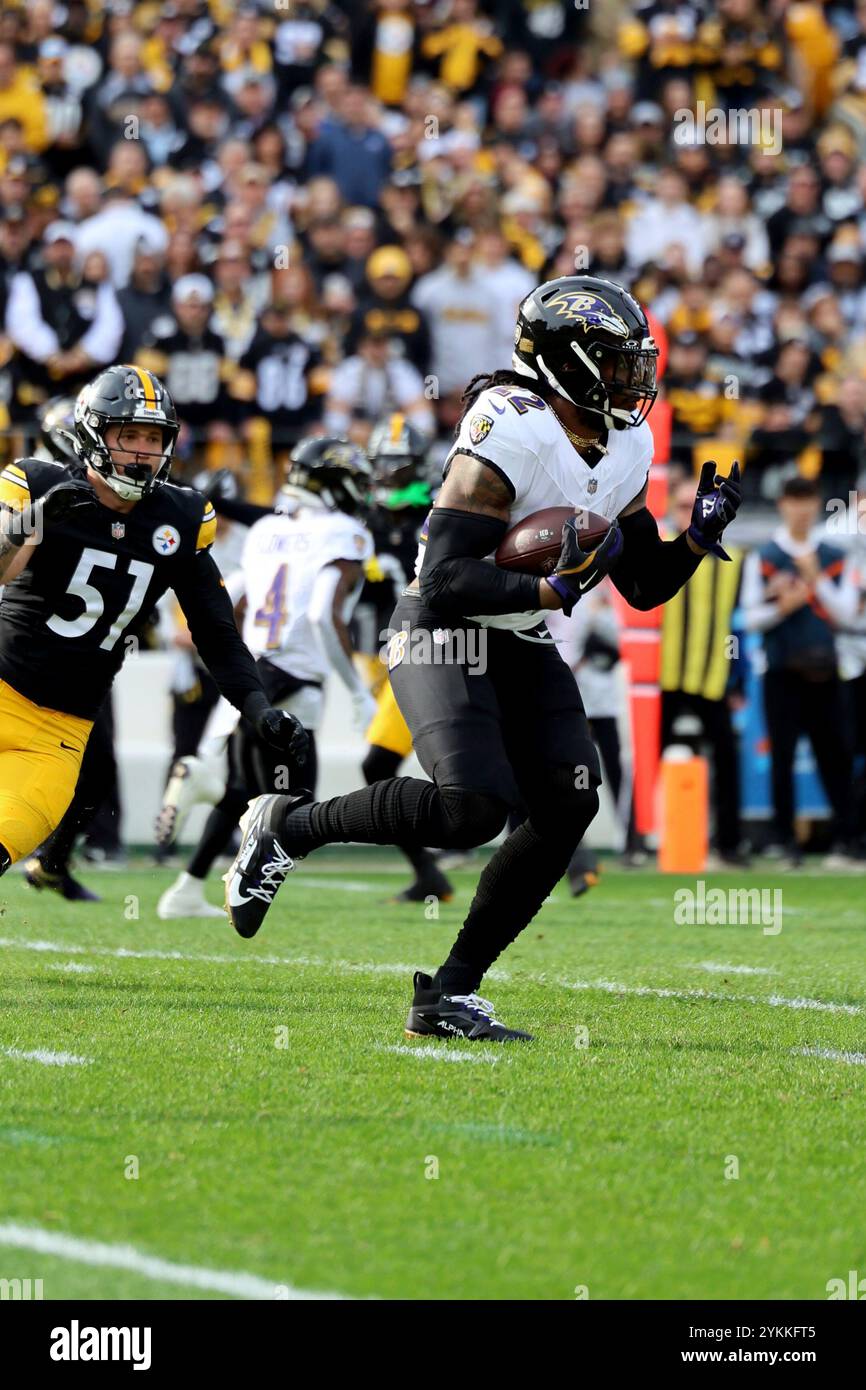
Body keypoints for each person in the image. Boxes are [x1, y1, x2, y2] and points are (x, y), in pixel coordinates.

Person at [222, 274, 742, 1042]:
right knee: (473, 809)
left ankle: (450, 993)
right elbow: (444, 576)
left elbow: (640, 586)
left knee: (569, 801)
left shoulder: (628, 441)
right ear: (567, 360)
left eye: (637, 359)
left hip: (520, 631)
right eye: (616, 358)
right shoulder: (508, 421)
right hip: (443, 625)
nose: (635, 376)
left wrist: (696, 539)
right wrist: (547, 589)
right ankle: (288, 827)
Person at [0, 363, 307, 879]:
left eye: (153, 437)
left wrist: (257, 707)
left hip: (58, 732)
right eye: (129, 435)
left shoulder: (179, 518)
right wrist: (33, 523)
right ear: (94, 433)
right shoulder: (38, 484)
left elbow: (214, 629)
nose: (143, 450)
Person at [156, 436, 375, 919]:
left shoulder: (266, 532)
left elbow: (231, 598)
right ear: (335, 484)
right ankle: (211, 801)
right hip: (296, 675)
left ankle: (187, 890)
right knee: (295, 805)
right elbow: (321, 614)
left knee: (246, 788)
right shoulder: (344, 533)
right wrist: (359, 692)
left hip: (254, 671)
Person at [742, 475, 859, 866]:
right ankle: (782, 840)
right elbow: (750, 617)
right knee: (783, 756)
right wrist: (784, 607)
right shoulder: (765, 555)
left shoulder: (832, 554)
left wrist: (814, 580)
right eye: (794, 500)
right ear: (783, 505)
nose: (801, 509)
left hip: (826, 671)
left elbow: (845, 613)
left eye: (807, 500)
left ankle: (849, 840)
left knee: (836, 756)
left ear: (816, 504)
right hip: (782, 671)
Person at [361, 413, 453, 904]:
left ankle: (435, 862)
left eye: (399, 471)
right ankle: (431, 870)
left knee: (377, 766)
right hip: (388, 658)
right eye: (384, 469)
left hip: (422, 651)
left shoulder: (435, 517)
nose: (389, 480)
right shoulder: (365, 522)